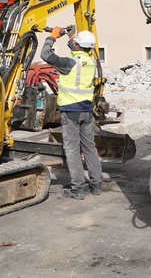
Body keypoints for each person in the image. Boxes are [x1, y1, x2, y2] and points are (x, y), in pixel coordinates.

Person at [40, 27, 103, 200]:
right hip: (87, 112)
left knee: (73, 149)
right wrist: (71, 36)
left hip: (71, 112)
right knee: (90, 147)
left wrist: (52, 37)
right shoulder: (91, 62)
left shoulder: (69, 63)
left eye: (74, 43)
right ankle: (96, 185)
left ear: (77, 46)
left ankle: (78, 189)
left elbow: (45, 55)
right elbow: (77, 49)